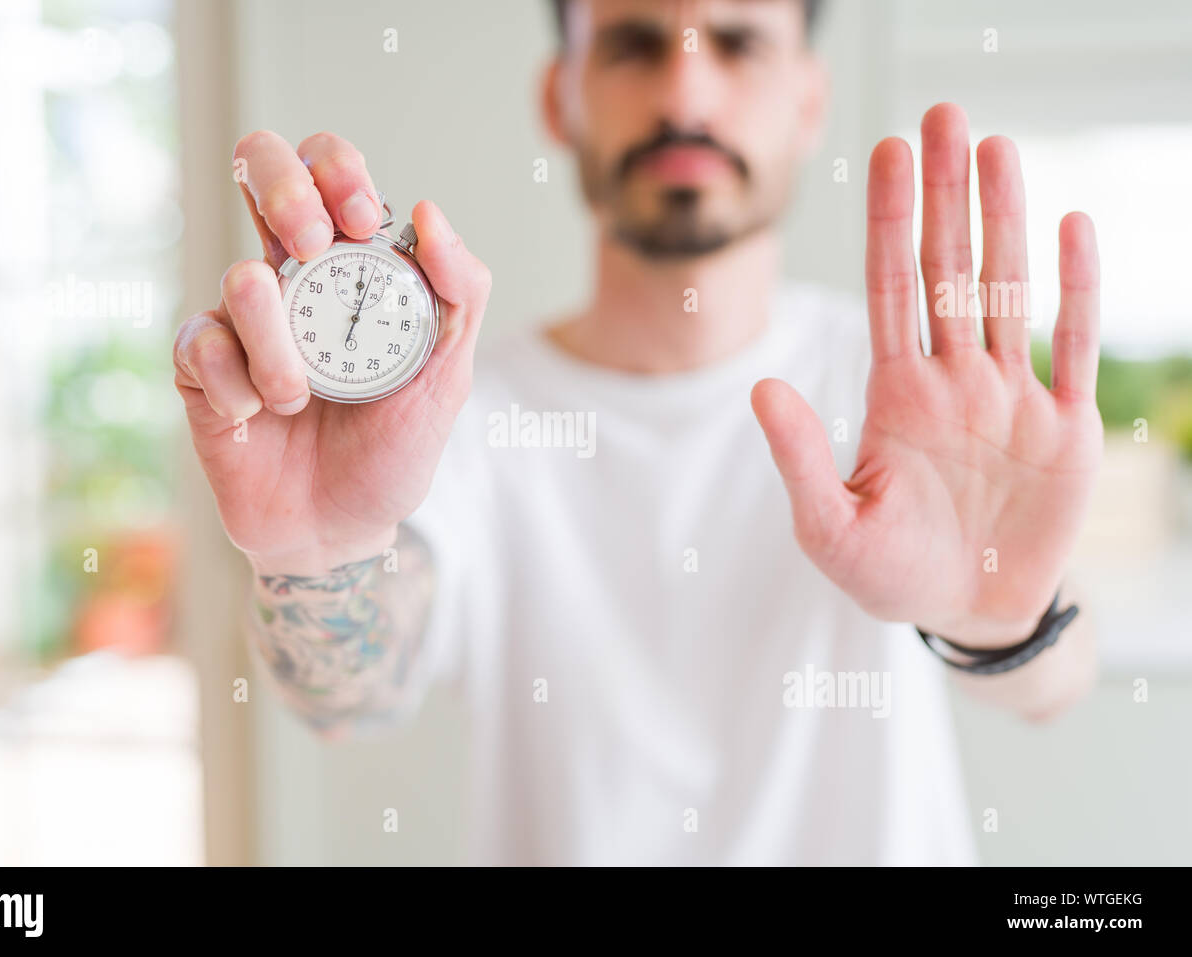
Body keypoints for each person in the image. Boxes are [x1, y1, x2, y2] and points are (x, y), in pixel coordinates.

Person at [171, 0, 1102, 865]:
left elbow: (1058, 688)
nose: (687, 91)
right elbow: (353, 700)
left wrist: (995, 619)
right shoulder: (438, 421)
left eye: (738, 44)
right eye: (634, 45)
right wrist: (319, 553)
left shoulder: (917, 395)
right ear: (558, 97)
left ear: (809, 100)